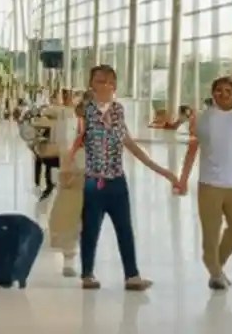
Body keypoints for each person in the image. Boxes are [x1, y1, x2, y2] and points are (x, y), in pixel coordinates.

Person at [67, 64, 179, 292]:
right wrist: (68, 169)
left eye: (110, 81)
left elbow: (130, 144)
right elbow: (76, 141)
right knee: (90, 229)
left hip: (117, 181)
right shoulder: (84, 112)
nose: (106, 85)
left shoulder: (118, 111)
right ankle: (87, 274)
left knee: (125, 229)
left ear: (115, 85)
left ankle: (132, 275)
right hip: (94, 181)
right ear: (92, 85)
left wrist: (164, 172)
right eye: (99, 81)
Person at [177, 77, 232, 290]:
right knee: (211, 234)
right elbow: (193, 149)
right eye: (219, 90)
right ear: (213, 94)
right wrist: (183, 180)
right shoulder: (206, 118)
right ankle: (215, 272)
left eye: (228, 90)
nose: (223, 94)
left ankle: (216, 266)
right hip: (210, 185)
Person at [48, 97, 86, 277]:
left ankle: (82, 263)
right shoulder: (70, 127)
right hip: (71, 182)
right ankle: (69, 260)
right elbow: (63, 152)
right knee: (68, 222)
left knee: (83, 224)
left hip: (87, 182)